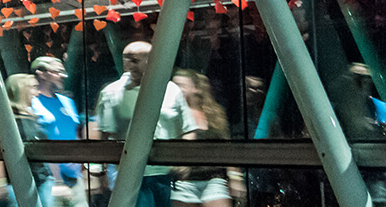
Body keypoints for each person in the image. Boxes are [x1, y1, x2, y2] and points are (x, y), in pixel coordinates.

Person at [88, 41, 200, 207]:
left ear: (151, 60)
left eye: (135, 59)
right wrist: (99, 172)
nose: (129, 64)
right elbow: (104, 135)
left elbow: (188, 129)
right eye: (126, 59)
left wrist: (183, 161)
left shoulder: (171, 90)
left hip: (165, 173)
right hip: (128, 175)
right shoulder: (112, 92)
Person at [170, 69, 242, 207]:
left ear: (195, 88)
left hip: (213, 178)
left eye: (181, 85)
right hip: (184, 181)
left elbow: (227, 148)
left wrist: (235, 177)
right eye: (175, 85)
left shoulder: (215, 114)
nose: (177, 89)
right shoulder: (171, 114)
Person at [31, 56, 88, 207]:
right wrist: (57, 180)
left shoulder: (67, 101)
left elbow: (76, 133)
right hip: (48, 179)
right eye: (57, 72)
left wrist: (82, 165)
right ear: (42, 74)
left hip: (75, 177)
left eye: (63, 72)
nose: (63, 76)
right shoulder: (32, 102)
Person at [0, 74, 52, 207]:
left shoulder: (33, 118)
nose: (37, 92)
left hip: (40, 181)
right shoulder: (7, 119)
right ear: (21, 89)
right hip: (17, 185)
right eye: (34, 87)